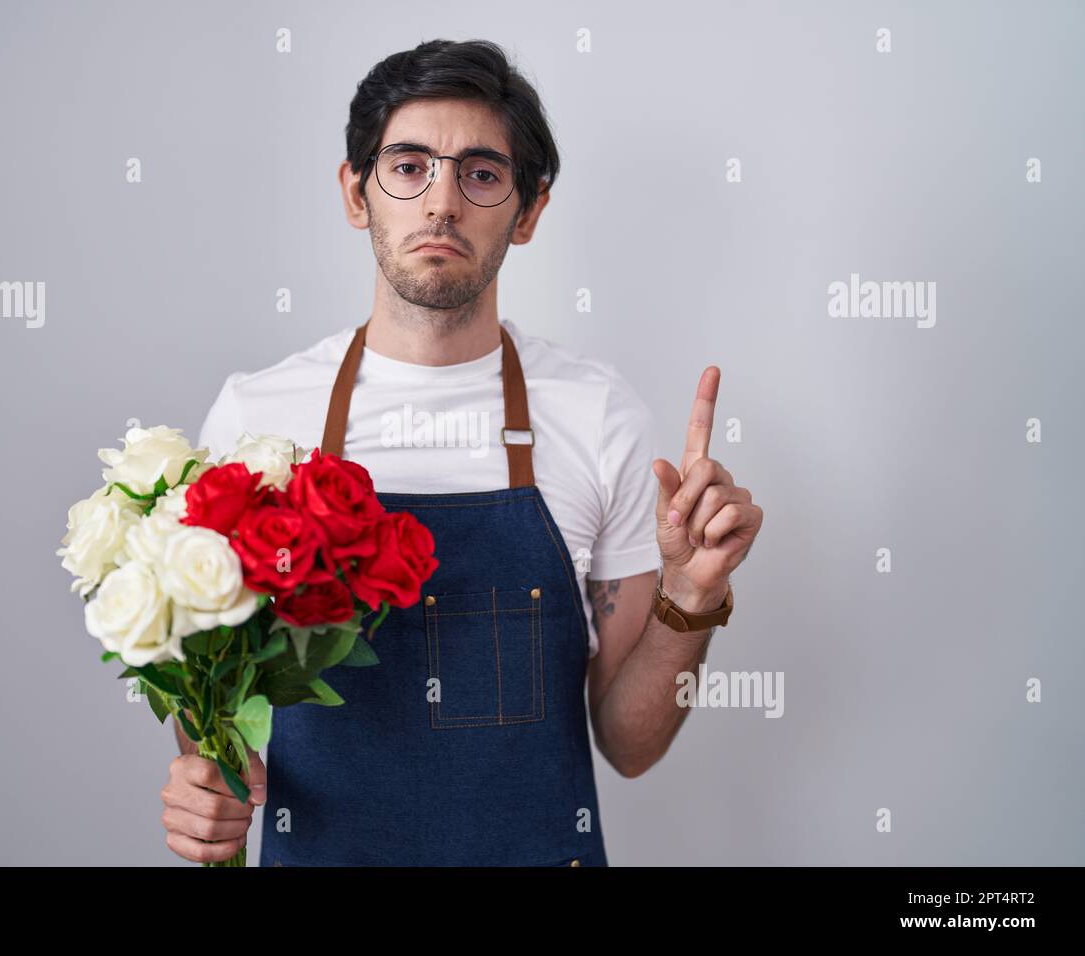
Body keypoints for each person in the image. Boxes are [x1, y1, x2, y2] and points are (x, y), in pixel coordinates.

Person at [159, 38, 762, 867]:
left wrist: (692, 597)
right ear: (355, 192)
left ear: (529, 211)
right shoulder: (257, 415)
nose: (441, 200)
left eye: (481, 174)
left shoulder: (597, 416)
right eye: (408, 165)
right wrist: (206, 777)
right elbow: (212, 698)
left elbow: (629, 744)